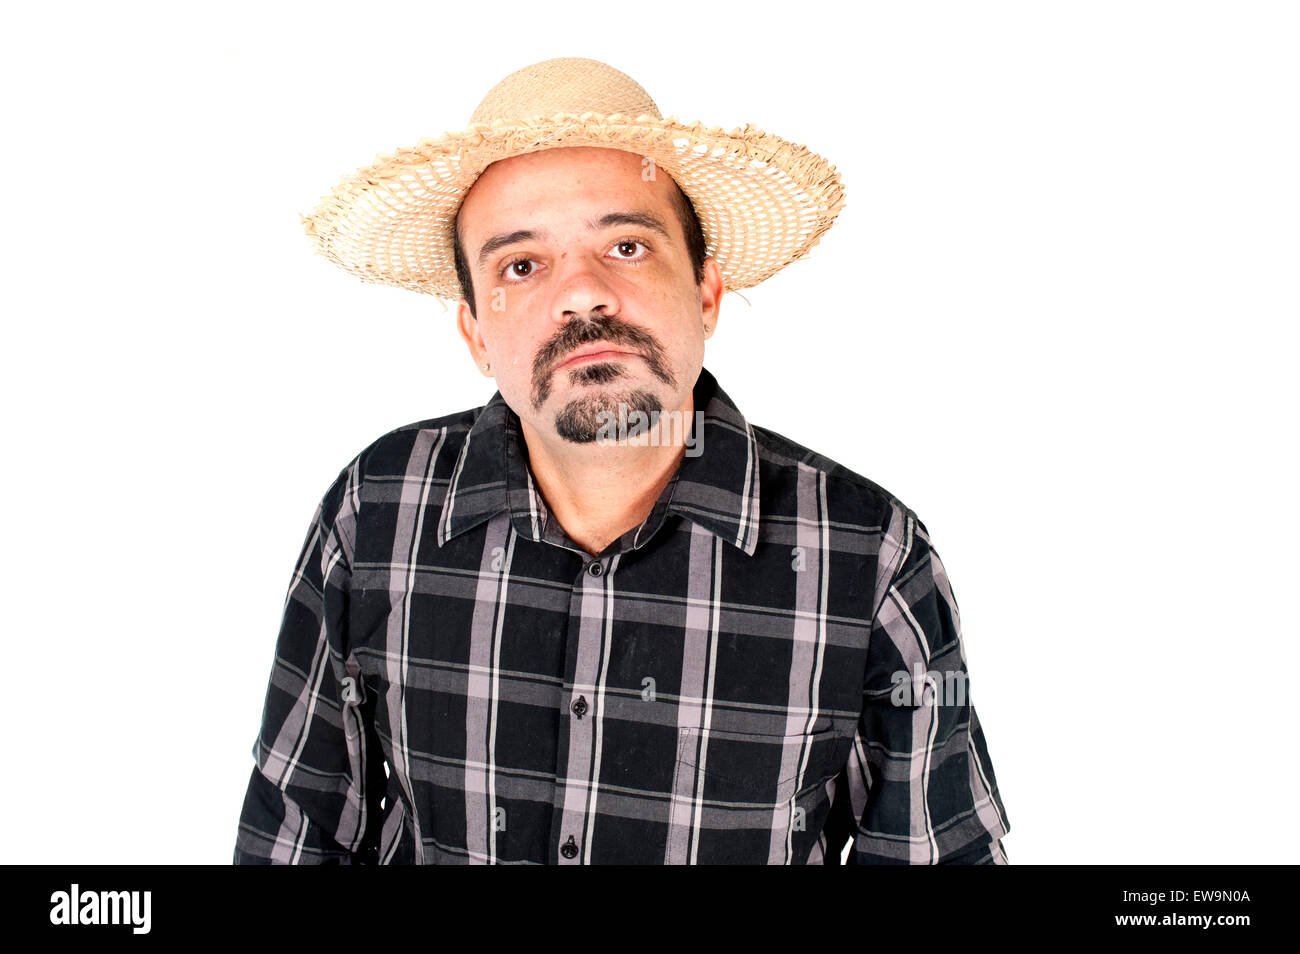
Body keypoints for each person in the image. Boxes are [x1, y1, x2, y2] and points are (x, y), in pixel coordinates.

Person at [233, 57, 1010, 864]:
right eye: (522, 265)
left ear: (707, 294)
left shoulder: (870, 557)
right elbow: (294, 840)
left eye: (628, 245)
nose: (582, 294)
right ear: (474, 333)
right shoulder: (375, 514)